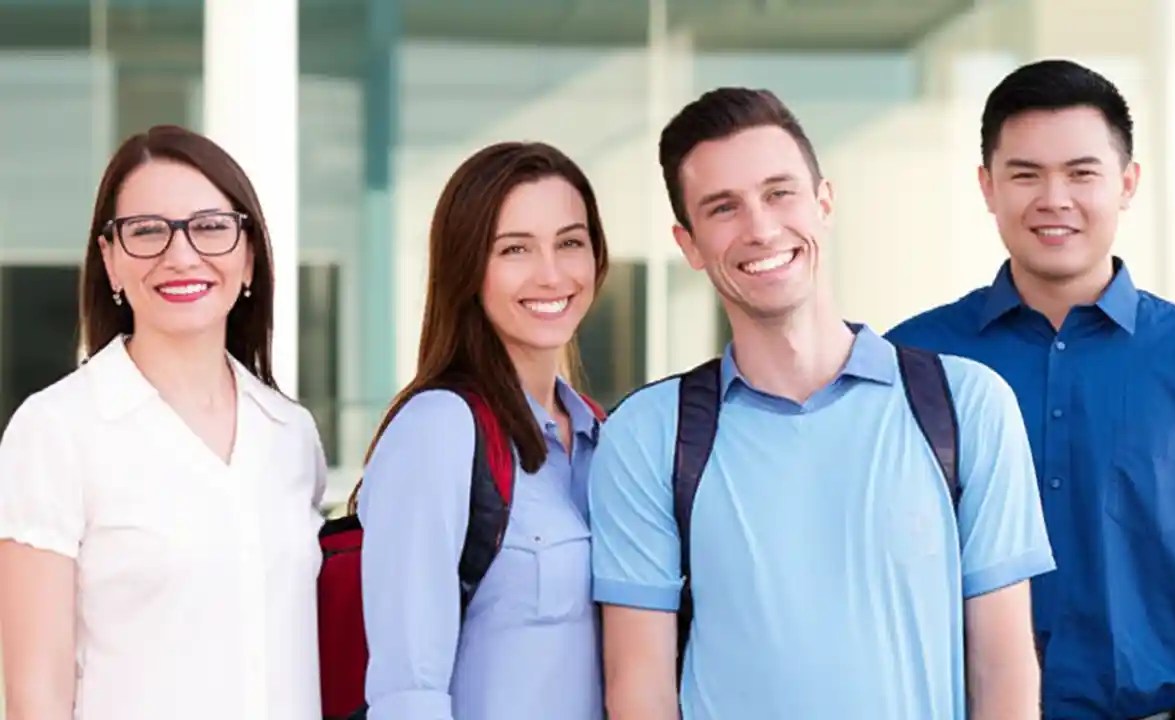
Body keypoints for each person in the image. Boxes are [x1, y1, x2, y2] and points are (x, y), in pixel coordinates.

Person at [588, 87, 1056, 720]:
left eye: (779, 193)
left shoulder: (965, 405)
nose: (760, 228)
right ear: (690, 243)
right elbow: (639, 691)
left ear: (824, 202)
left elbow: (1002, 669)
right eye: (723, 208)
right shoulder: (647, 436)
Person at [886, 59, 1175, 720]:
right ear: (987, 186)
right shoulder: (913, 360)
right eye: (1025, 174)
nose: (1054, 198)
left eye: (1081, 172)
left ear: (1127, 184)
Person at [0, 125, 328, 719]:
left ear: (249, 255)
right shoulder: (56, 430)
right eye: (147, 232)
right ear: (111, 261)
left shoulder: (290, 433)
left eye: (210, 227)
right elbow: (35, 697)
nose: (181, 255)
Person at [357, 141, 610, 720]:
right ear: (469, 267)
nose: (551, 274)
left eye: (570, 242)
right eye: (515, 249)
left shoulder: (606, 438)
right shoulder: (439, 429)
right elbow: (408, 689)